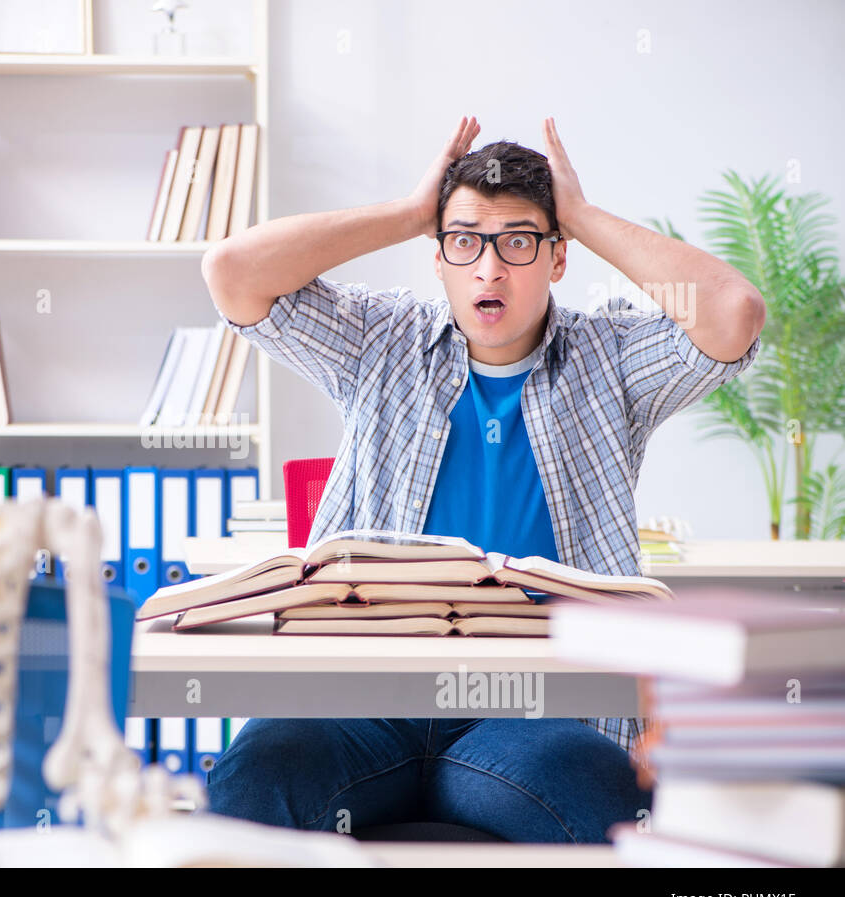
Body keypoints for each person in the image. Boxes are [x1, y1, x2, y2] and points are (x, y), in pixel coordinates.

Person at [198, 116, 765, 842]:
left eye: (519, 242)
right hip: (363, 698)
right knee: (251, 783)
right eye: (464, 241)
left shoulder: (609, 361)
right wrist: (410, 213)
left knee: (606, 806)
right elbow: (231, 273)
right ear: (438, 257)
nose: (489, 269)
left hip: (528, 711)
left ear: (557, 259)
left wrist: (583, 216)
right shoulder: (380, 341)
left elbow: (733, 312)